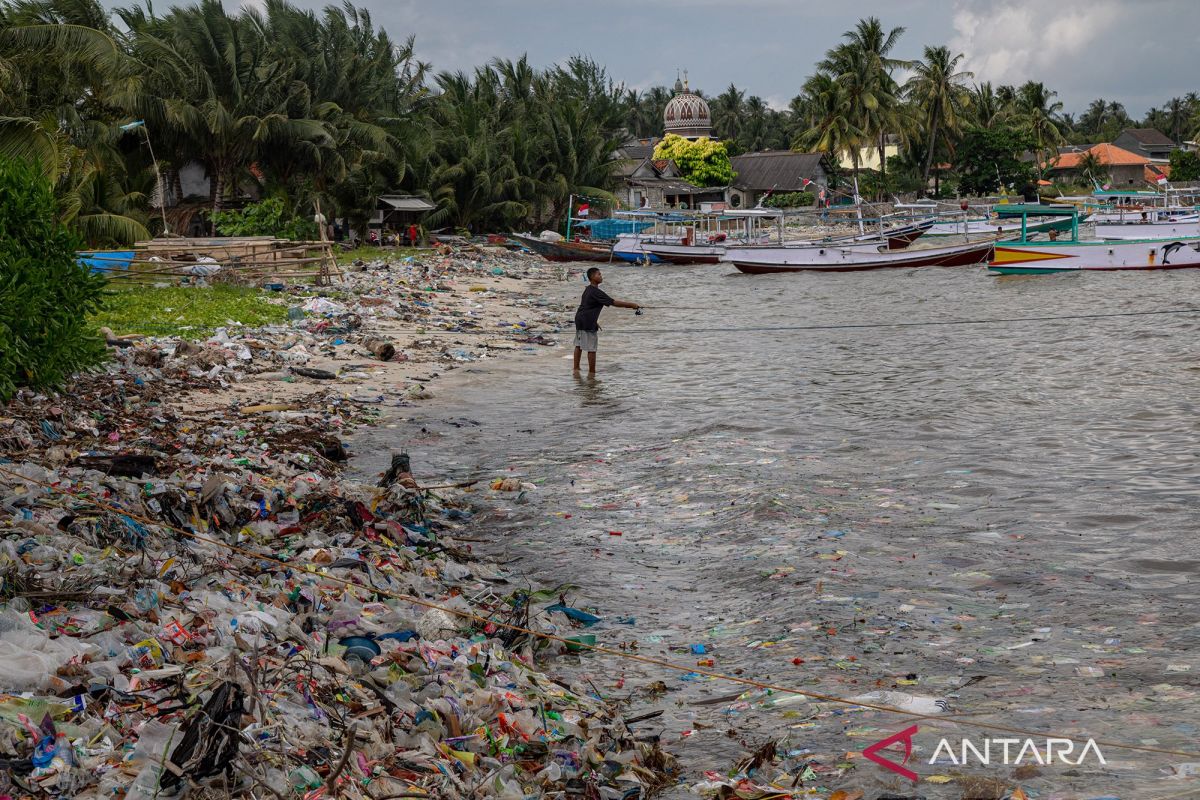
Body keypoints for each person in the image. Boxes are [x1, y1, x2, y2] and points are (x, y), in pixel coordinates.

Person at [573, 267, 640, 375]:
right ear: (592, 277)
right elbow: (614, 302)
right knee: (591, 348)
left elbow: (586, 307)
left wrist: (594, 321)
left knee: (579, 345)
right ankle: (592, 373)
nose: (601, 276)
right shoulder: (596, 292)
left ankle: (576, 369)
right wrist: (632, 305)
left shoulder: (588, 289)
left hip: (580, 319)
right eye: (599, 274)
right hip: (587, 321)